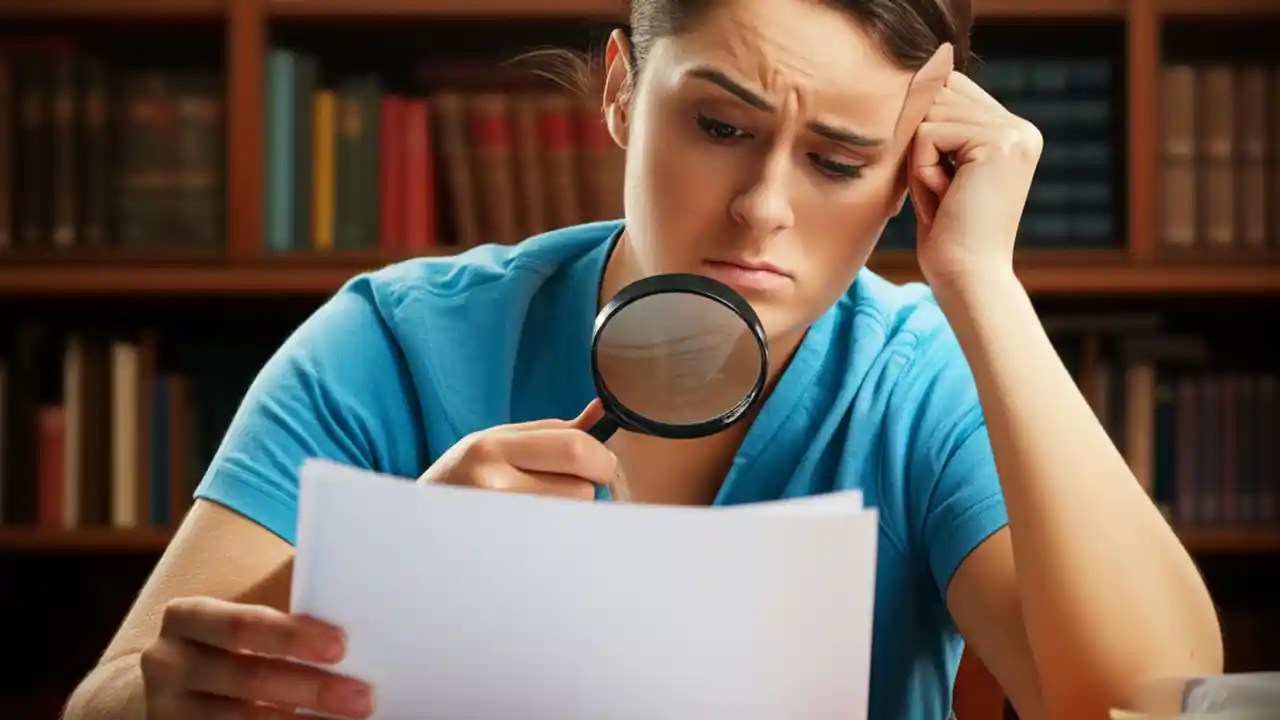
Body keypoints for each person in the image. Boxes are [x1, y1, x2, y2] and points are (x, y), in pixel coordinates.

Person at [64, 0, 1224, 718]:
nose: (762, 208)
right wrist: (382, 573)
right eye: (719, 128)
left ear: (907, 170)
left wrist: (981, 283)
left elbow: (1140, 704)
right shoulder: (394, 342)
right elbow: (112, 702)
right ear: (622, 90)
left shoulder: (915, 375)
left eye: (837, 160)